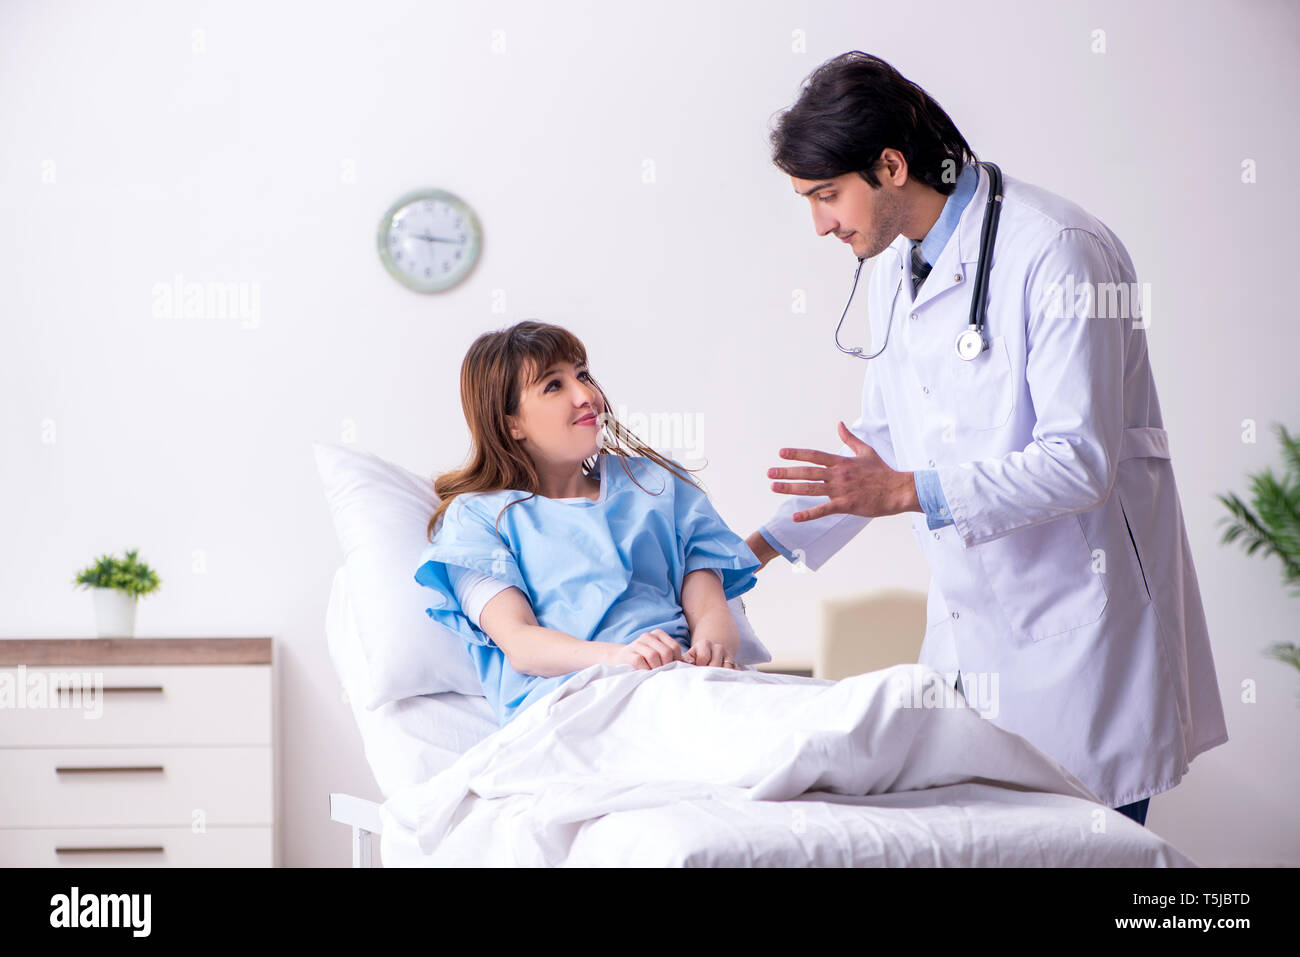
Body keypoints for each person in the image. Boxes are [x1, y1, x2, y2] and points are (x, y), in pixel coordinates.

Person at [743, 52, 1228, 828]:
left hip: (1082, 639)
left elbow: (1081, 461)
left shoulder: (1059, 249)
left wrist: (908, 490)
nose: (821, 224)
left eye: (827, 196)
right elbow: (881, 445)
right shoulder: (899, 267)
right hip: (970, 635)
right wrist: (752, 552)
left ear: (891, 166)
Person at [415, 320, 761, 727]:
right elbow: (521, 642)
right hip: (575, 705)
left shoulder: (657, 485)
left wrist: (712, 650)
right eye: (553, 385)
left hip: (688, 686)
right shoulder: (478, 518)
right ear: (512, 424)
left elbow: (709, 607)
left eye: (582, 375)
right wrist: (622, 657)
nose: (587, 396)